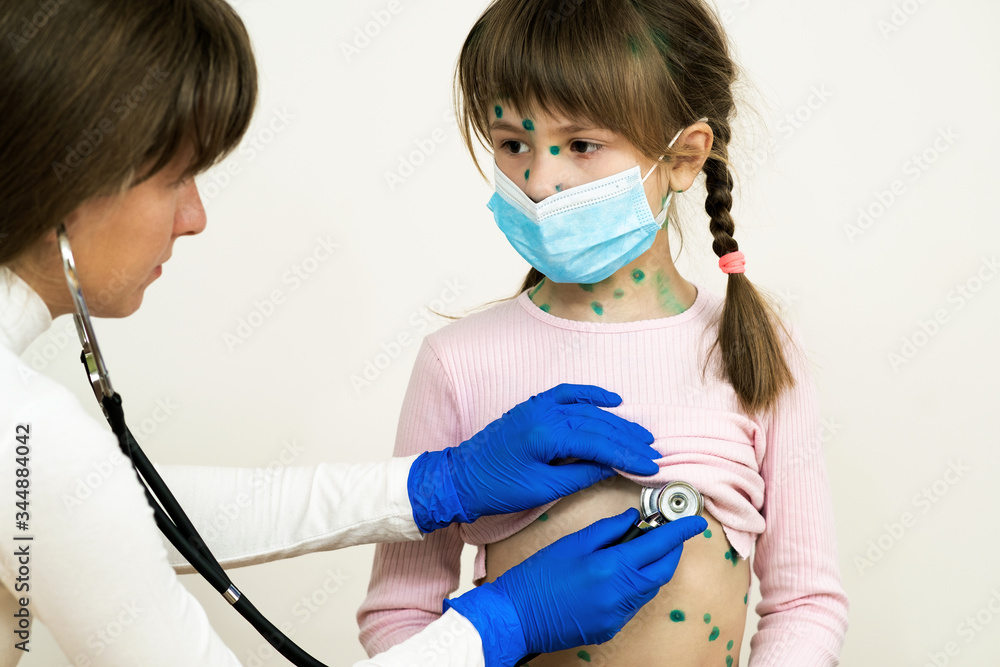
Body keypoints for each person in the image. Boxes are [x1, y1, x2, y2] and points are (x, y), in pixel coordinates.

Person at [0, 1, 709, 665]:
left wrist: (437, 485)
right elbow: (79, 496)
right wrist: (501, 624)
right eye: (178, 176)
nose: (195, 217)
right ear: (77, 166)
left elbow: (123, 510)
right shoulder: (31, 434)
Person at [358, 0, 850, 665]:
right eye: (512, 143)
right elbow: (400, 611)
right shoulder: (459, 362)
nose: (540, 180)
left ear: (682, 156)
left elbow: (805, 602)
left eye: (582, 144)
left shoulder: (751, 349)